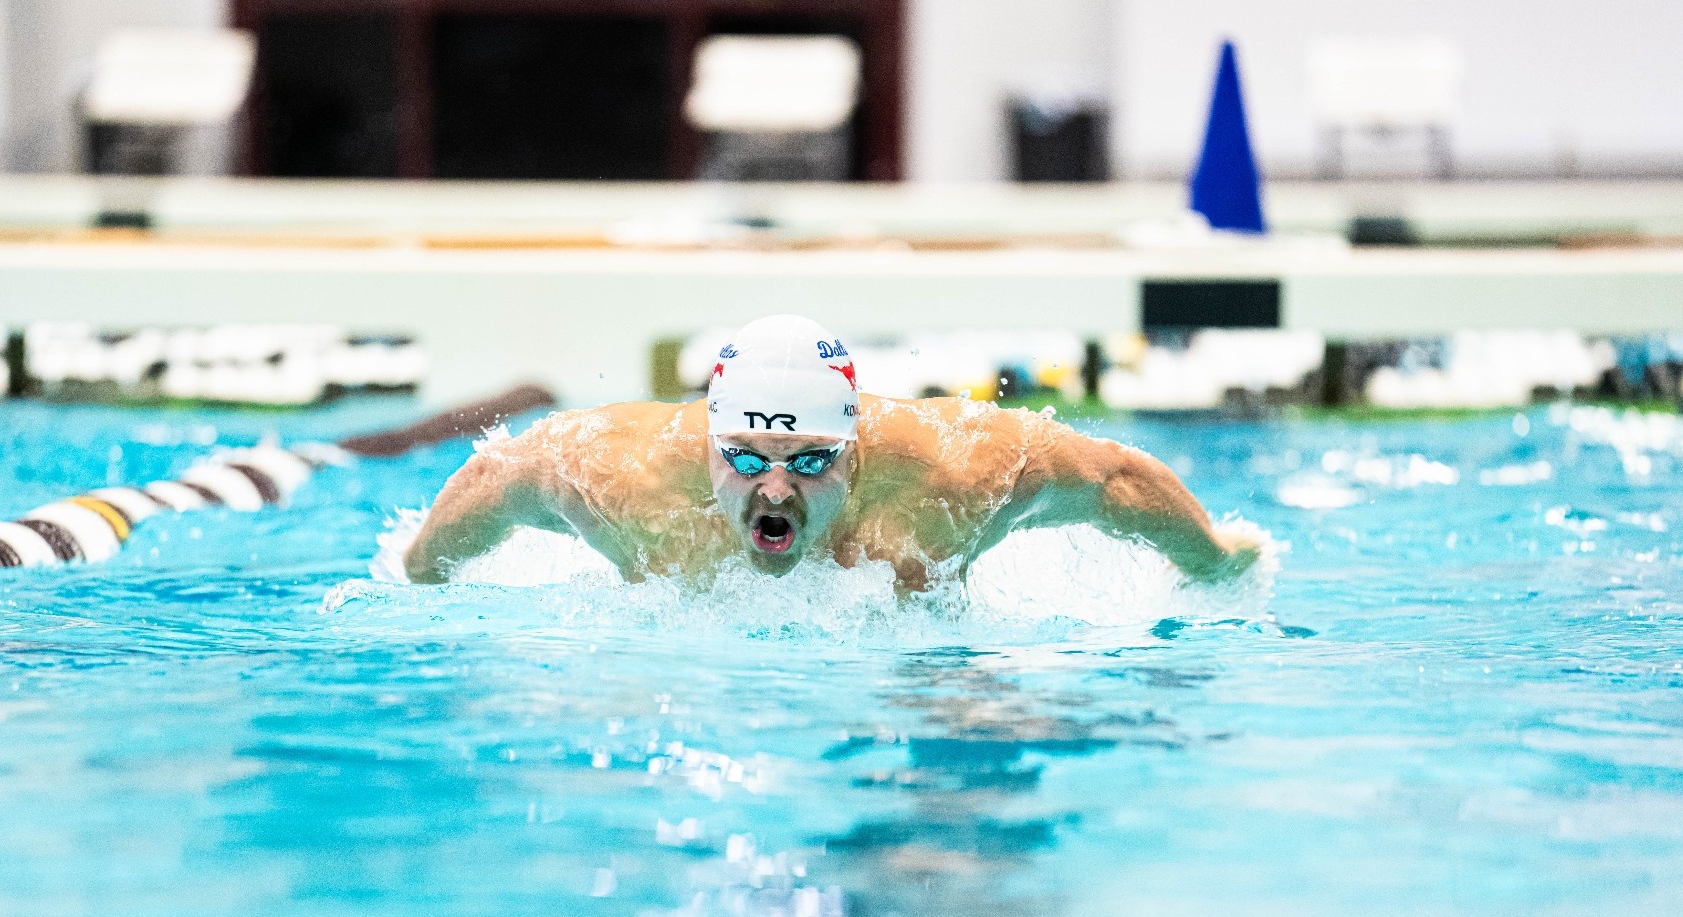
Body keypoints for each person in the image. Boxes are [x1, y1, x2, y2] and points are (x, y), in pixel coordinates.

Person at [400, 315, 1260, 592]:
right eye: (743, 456)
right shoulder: (617, 476)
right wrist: (418, 578)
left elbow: (1116, 477)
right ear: (707, 442)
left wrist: (1215, 562)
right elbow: (494, 476)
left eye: (809, 460)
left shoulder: (951, 472)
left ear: (855, 450)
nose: (774, 486)